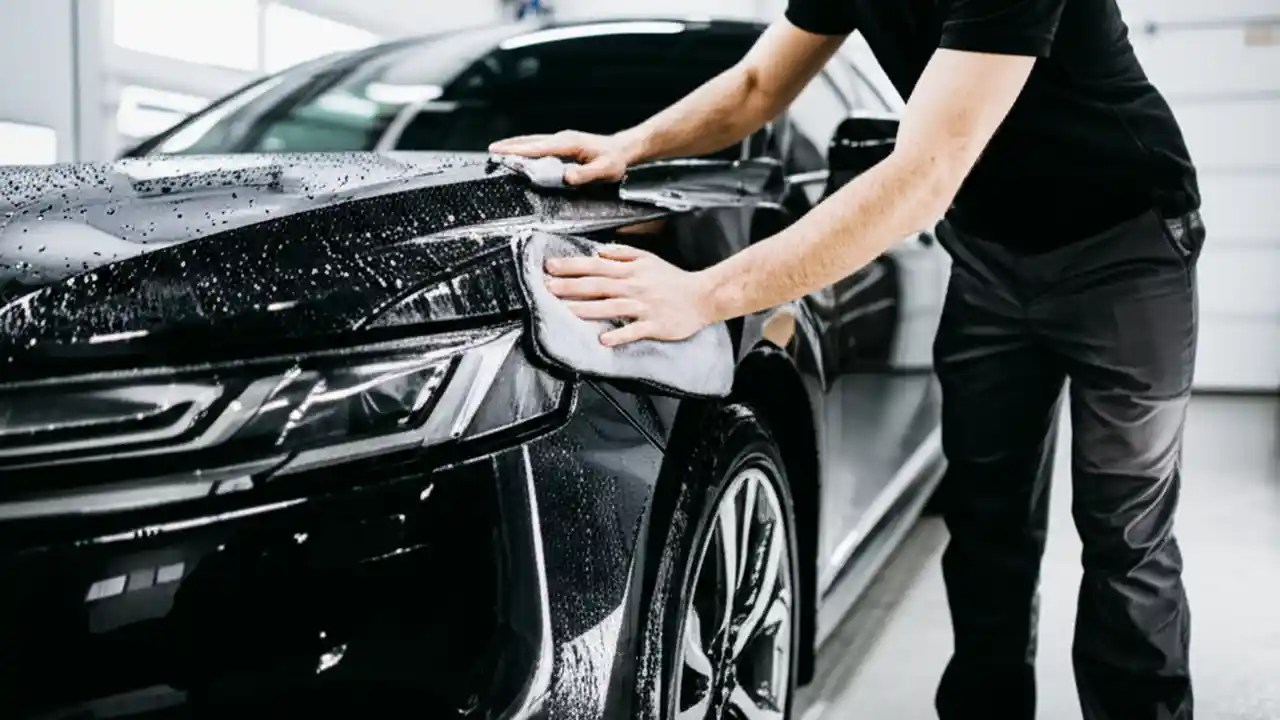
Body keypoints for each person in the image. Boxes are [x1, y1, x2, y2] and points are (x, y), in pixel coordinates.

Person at [490, 1, 1200, 718]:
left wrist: (706, 293)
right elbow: (756, 86)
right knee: (989, 527)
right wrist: (631, 145)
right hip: (991, 256)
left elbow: (926, 173)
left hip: (1126, 247)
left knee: (1125, 535)